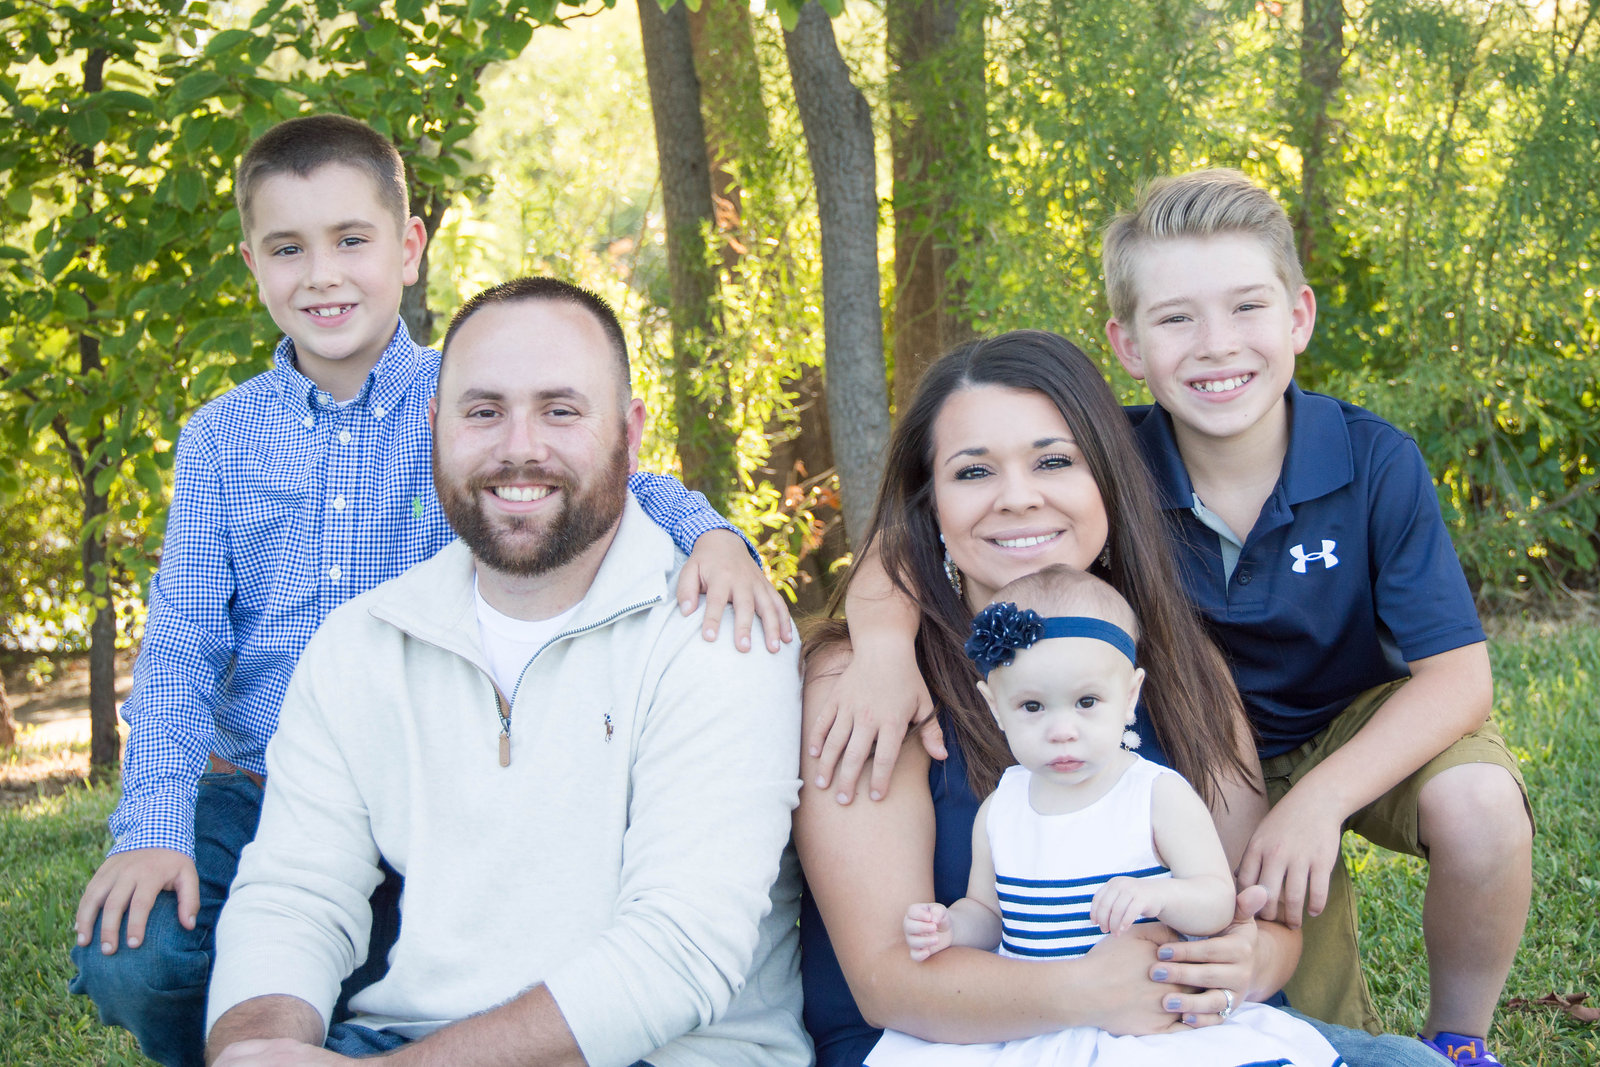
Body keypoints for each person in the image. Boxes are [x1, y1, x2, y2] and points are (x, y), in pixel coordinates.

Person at [69, 115, 791, 1067]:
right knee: (157, 950)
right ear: (253, 262)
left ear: (409, 249)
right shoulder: (226, 444)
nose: (323, 275)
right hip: (271, 780)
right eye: (289, 249)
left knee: (439, 939)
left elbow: (611, 479)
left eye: (351, 241)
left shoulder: (458, 400)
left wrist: (718, 536)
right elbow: (185, 642)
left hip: (440, 796)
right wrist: (156, 828)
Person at [813, 170, 1533, 1066]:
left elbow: (1257, 923)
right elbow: (910, 531)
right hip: (997, 1028)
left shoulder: (1196, 620)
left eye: (1053, 462)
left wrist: (1261, 918)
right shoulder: (883, 680)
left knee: (1438, 889)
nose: (1020, 497)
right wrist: (880, 643)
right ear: (1129, 344)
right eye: (973, 473)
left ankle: (1460, 1037)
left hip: (1306, 764)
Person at [203, 275, 807, 1065]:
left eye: (561, 410)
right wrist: (258, 1046)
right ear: (435, 428)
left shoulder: (719, 632)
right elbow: (294, 891)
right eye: (483, 411)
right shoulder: (361, 642)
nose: (519, 445)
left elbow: (679, 951)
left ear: (629, 434)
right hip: (404, 1043)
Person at [869, 565, 1339, 1067]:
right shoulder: (1001, 808)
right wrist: (950, 927)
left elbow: (1217, 902)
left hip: (1148, 1029)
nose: (1062, 729)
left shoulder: (1155, 794)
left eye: (1087, 702)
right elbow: (988, 914)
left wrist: (1159, 895)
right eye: (1032, 706)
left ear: (1131, 696)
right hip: (1037, 1025)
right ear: (996, 707)